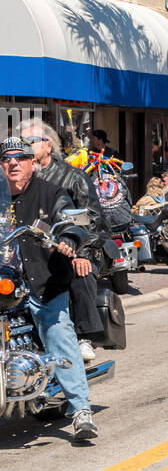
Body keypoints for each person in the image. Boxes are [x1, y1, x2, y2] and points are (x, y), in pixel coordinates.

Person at [0, 137, 99, 441]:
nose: (13, 163)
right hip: (5, 281)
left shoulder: (51, 193)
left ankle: (82, 411)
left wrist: (68, 238)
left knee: (57, 332)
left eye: (19, 158)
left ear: (32, 163)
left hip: (42, 280)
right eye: (6, 159)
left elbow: (73, 220)